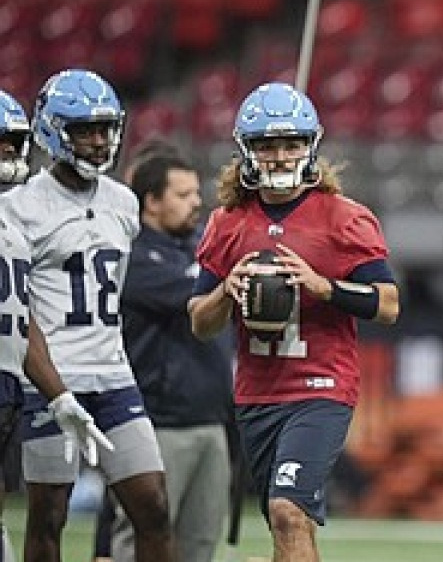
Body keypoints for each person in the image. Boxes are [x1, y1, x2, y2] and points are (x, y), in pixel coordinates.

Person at [187, 82, 400, 562]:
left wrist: (324, 286)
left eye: (291, 144)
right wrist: (227, 289)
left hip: (322, 388)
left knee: (287, 510)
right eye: (267, 145)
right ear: (247, 151)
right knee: (288, 523)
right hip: (257, 393)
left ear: (311, 146)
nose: (280, 156)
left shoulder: (344, 218)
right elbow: (199, 322)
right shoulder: (227, 221)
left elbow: (388, 305)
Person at [8, 70, 174, 562]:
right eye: (85, 130)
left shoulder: (123, 202)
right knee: (48, 517)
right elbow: (21, 312)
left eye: (105, 129)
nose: (100, 141)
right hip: (50, 376)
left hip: (114, 376)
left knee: (153, 507)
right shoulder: (19, 207)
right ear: (53, 130)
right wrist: (56, 393)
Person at [100, 151, 234, 562]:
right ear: (152, 201)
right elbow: (192, 293)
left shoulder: (198, 249)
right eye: (183, 194)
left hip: (210, 421)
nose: (196, 201)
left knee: (199, 545)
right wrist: (230, 279)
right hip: (158, 422)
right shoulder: (132, 254)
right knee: (142, 536)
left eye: (196, 192)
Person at [0, 88, 113, 560]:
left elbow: (20, 318)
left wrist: (59, 395)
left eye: (13, 140)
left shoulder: (9, 219)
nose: (7, 150)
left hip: (7, 385)